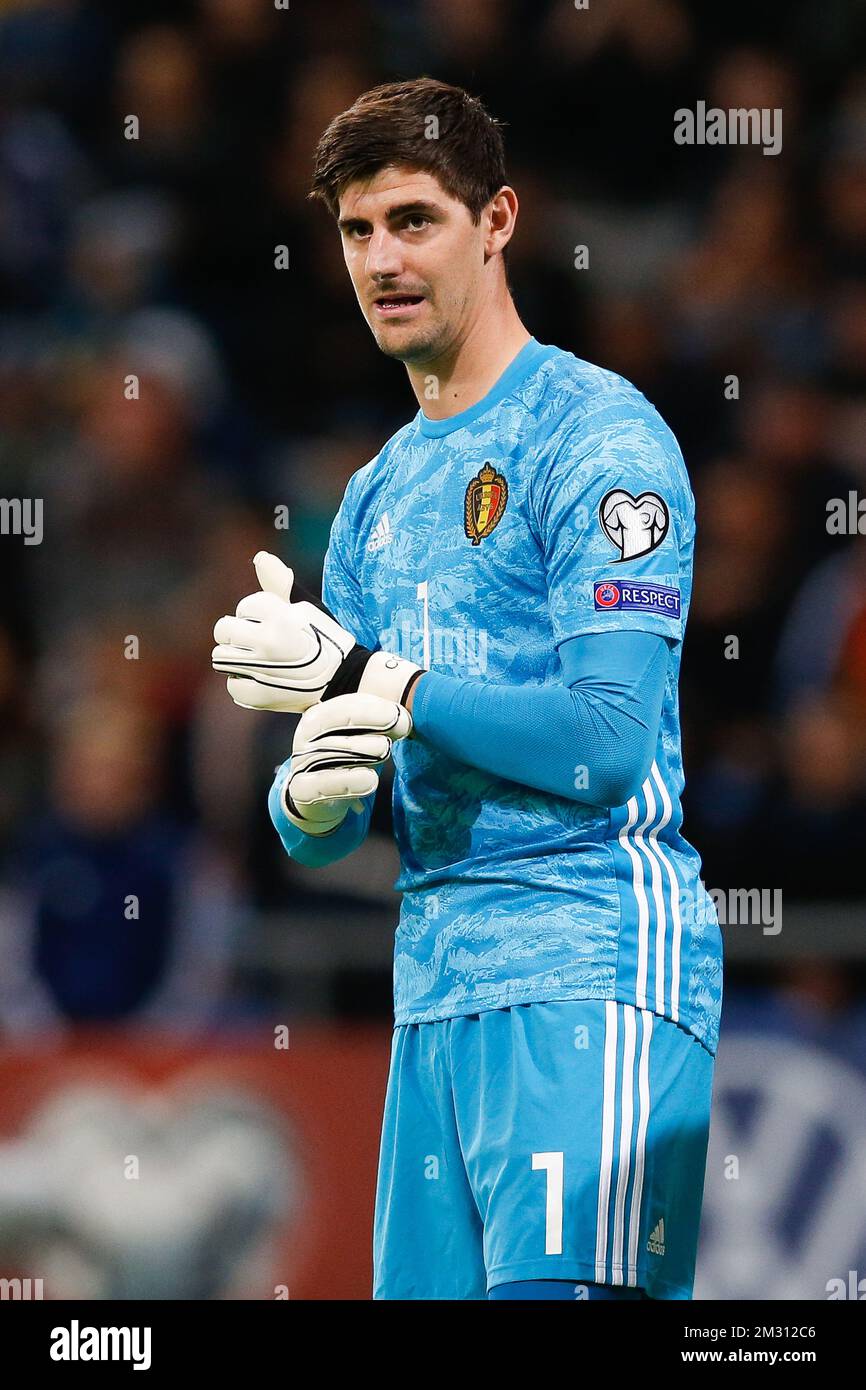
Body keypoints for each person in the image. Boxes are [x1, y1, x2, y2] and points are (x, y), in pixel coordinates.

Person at [212, 78, 722, 1301]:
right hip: (435, 998)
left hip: (591, 974)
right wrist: (313, 797)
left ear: (496, 218)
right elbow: (353, 787)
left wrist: (371, 675)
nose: (380, 259)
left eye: (412, 220)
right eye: (354, 231)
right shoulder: (376, 500)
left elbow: (604, 742)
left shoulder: (598, 439)